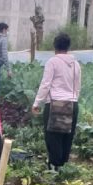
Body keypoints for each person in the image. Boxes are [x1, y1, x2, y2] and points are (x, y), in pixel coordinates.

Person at [31, 32, 82, 171]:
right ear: (68, 47)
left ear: (55, 46)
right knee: (67, 135)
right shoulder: (76, 64)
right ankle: (63, 165)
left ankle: (54, 165)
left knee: (52, 136)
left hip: (55, 103)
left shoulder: (52, 62)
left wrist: (37, 103)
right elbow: (77, 86)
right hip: (72, 103)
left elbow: (46, 84)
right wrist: (72, 99)